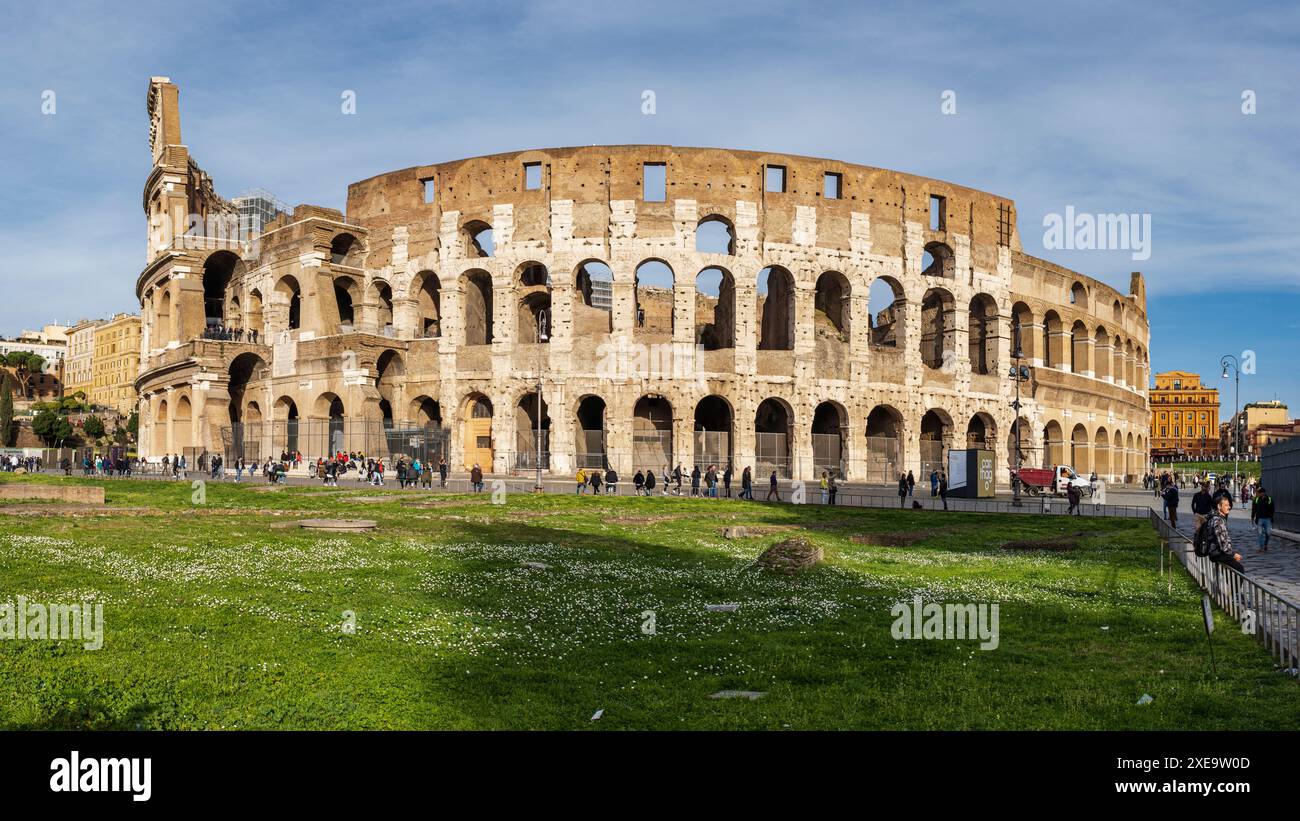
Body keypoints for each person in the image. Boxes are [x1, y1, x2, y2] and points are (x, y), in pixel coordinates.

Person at [1202, 494, 1245, 573]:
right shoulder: (1217, 520)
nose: (1229, 507)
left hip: (1218, 552)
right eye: (1226, 505)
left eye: (1229, 505)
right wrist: (1233, 555)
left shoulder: (1218, 518)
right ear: (1219, 506)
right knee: (1239, 569)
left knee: (1232, 571)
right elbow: (1221, 542)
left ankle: (1230, 585)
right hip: (1217, 553)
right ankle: (1234, 585)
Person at [1251, 485, 1275, 552]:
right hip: (1260, 519)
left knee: (1268, 533)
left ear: (1264, 493)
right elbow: (1254, 509)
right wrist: (1252, 518)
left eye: (1260, 493)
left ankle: (1265, 544)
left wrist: (1271, 518)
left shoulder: (1269, 499)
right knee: (1260, 534)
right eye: (1259, 493)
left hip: (1267, 519)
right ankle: (1261, 547)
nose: (1259, 494)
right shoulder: (1257, 499)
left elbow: (1272, 509)